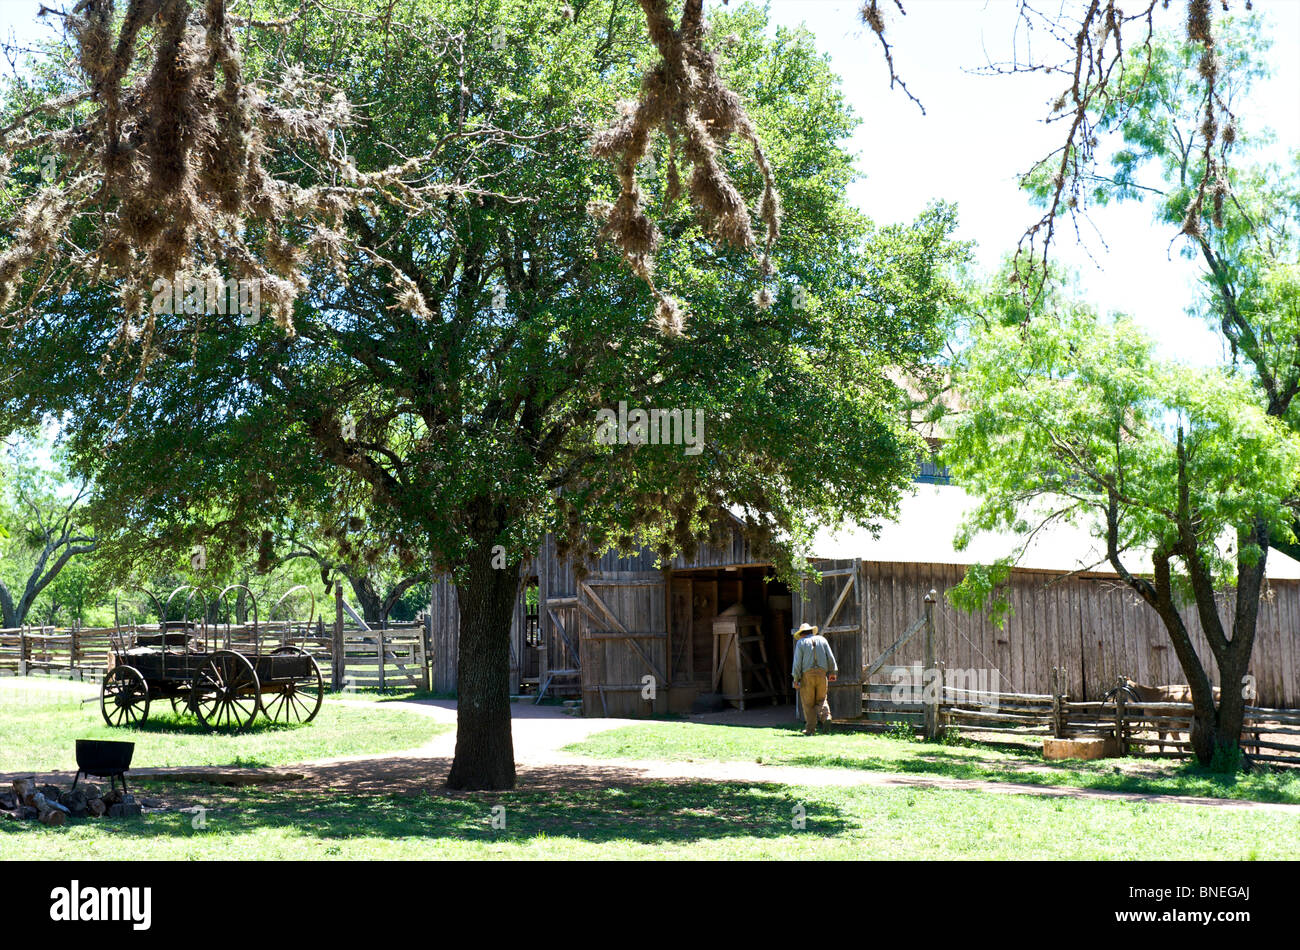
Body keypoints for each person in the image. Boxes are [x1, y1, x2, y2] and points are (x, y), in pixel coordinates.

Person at [791, 622, 837, 735]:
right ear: (811, 631)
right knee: (821, 699)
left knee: (808, 703)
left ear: (801, 634)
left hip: (807, 675)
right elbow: (830, 657)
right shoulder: (822, 640)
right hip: (822, 674)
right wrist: (833, 672)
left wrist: (796, 679)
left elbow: (797, 663)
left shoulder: (800, 643)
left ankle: (810, 729)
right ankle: (826, 717)